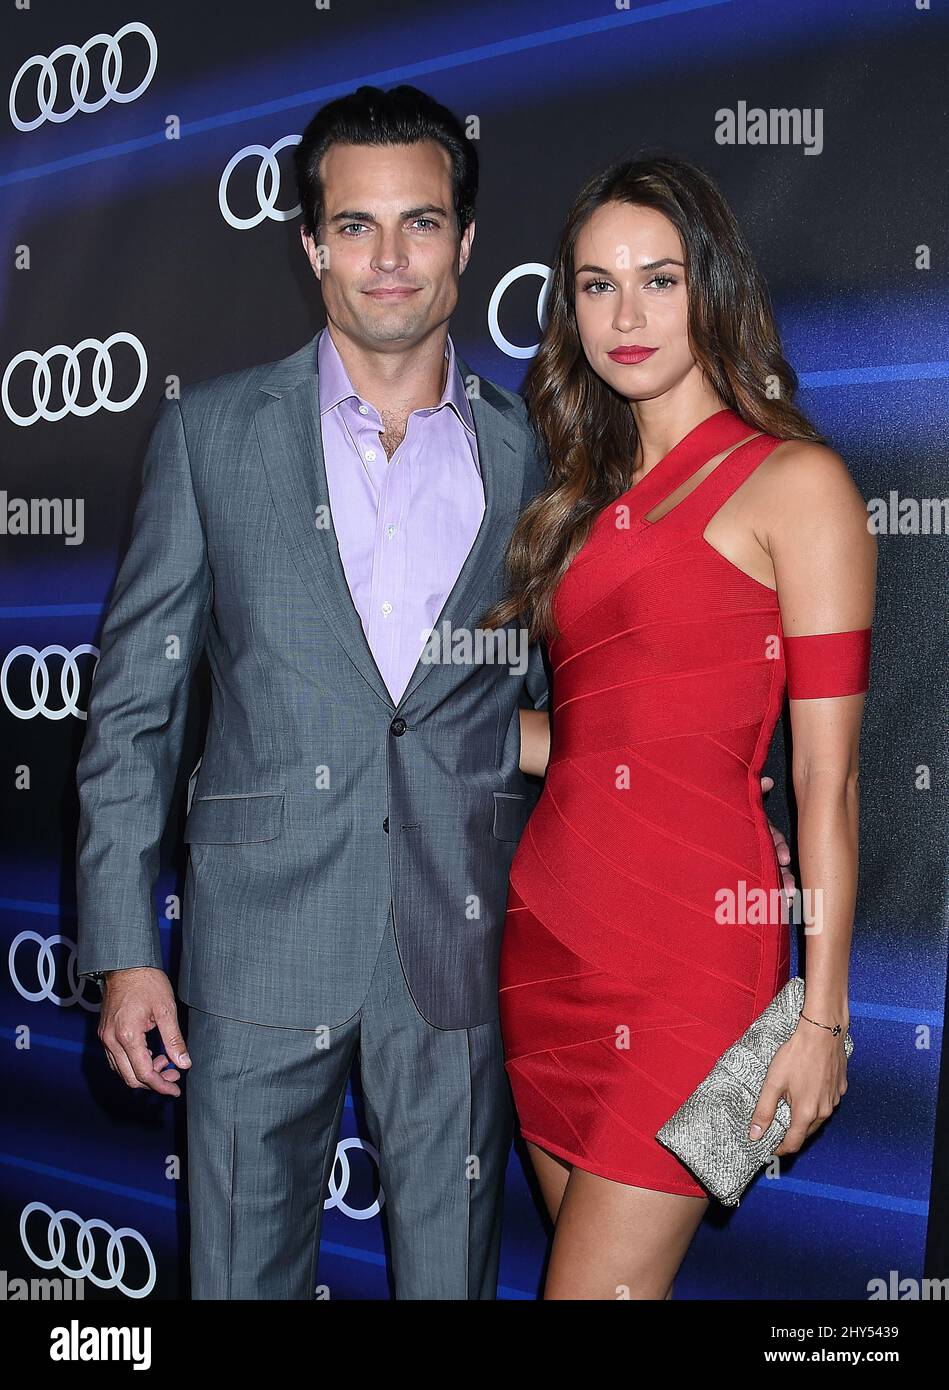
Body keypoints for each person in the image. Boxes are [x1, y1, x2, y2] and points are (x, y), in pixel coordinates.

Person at [75, 85, 792, 1301]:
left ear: (464, 242)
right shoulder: (212, 438)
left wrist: (713, 802)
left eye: (419, 222)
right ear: (312, 247)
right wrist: (122, 949)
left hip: (469, 945)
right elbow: (132, 714)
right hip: (257, 954)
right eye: (354, 226)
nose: (389, 257)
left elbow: (609, 689)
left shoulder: (545, 457)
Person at [485, 154, 876, 1300]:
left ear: (711, 286)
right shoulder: (582, 507)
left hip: (692, 963)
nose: (626, 316)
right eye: (595, 286)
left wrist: (823, 1017)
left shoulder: (797, 483)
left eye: (658, 280)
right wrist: (429, 727)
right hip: (547, 942)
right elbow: (591, 741)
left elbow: (828, 779)